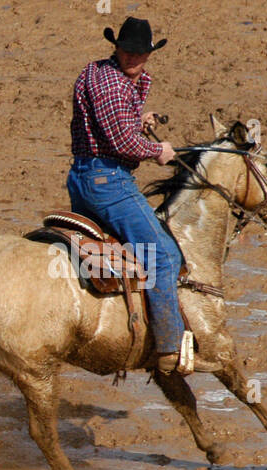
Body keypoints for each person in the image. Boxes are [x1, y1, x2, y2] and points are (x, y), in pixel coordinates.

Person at [66, 16, 189, 374]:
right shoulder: (114, 86)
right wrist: (158, 151)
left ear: (148, 54)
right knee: (164, 255)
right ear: (116, 48)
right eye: (128, 51)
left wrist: (138, 120)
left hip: (82, 180)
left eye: (140, 53)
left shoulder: (96, 72)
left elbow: (110, 128)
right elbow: (121, 143)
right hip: (108, 183)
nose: (134, 58)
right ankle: (168, 349)